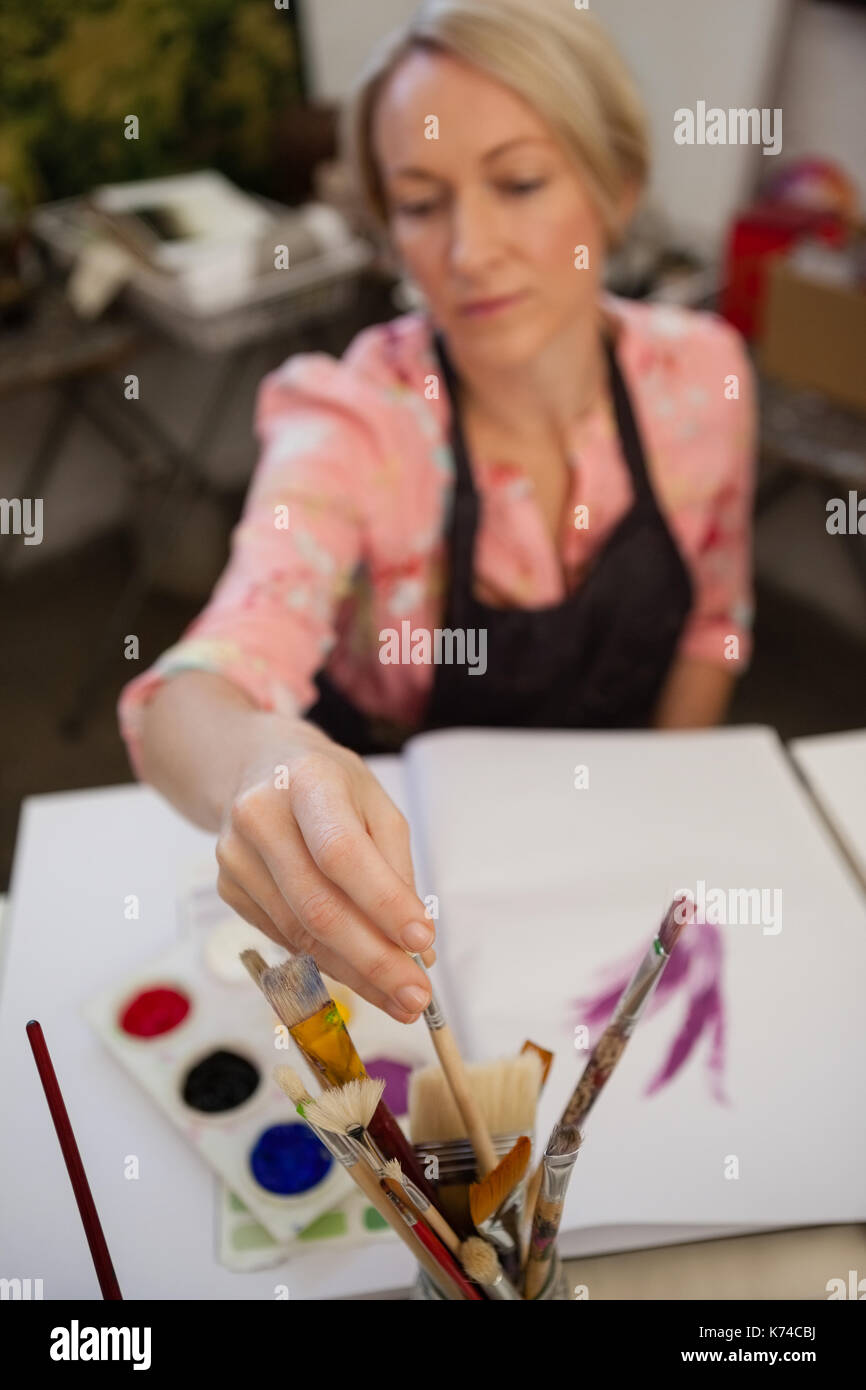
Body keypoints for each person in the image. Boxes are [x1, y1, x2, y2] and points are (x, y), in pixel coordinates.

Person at [118, 0, 756, 1025]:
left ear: (615, 184)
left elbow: (712, 621)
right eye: (419, 202)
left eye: (517, 182)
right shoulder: (355, 418)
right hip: (403, 897)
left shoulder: (701, 377)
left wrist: (653, 823)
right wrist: (264, 763)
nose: (467, 247)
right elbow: (194, 693)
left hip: (602, 864)